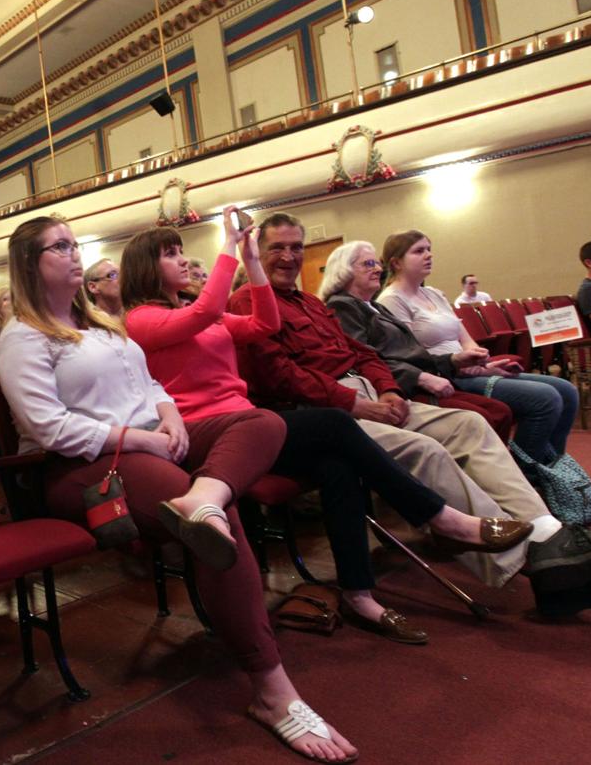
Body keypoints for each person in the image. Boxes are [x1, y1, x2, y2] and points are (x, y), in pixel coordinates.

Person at [0, 216, 360, 764]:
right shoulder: (23, 337)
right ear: (30, 263)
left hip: (151, 443)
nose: (75, 254)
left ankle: (206, 496)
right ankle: (271, 687)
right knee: (212, 514)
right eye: (60, 246)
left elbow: (152, 383)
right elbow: (49, 429)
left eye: (77, 244)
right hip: (85, 465)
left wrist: (171, 419)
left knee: (262, 423)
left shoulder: (101, 322)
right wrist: (139, 438)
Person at [121, 211, 527, 644]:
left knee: (338, 465)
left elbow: (264, 324)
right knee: (335, 422)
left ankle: (359, 592)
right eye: (170, 254)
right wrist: (227, 245)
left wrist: (251, 259)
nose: (183, 261)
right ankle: (443, 519)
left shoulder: (195, 310)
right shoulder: (141, 319)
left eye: (183, 251)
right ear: (147, 267)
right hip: (210, 432)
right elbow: (206, 312)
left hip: (250, 424)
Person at [230, 213, 591, 613]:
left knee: (468, 423)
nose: (288, 256)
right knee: (425, 450)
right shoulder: (246, 302)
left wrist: (387, 388)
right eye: (276, 248)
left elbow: (363, 353)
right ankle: (535, 559)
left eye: (296, 247)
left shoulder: (311, 303)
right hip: (324, 412)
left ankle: (547, 531)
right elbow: (280, 377)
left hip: (371, 393)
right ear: (255, 253)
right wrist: (358, 402)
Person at [377, 231, 580, 471]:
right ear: (396, 262)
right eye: (419, 251)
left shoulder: (434, 293)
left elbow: (466, 339)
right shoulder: (391, 300)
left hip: (471, 369)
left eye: (429, 249)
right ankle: (526, 474)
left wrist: (482, 362)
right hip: (447, 375)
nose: (428, 255)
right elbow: (410, 355)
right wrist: (462, 365)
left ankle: (553, 469)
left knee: (567, 391)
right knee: (545, 399)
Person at [319, 242, 516, 439]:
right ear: (344, 270)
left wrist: (455, 360)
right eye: (368, 264)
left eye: (377, 263)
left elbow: (411, 354)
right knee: (484, 418)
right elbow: (362, 359)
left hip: (422, 380)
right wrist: (419, 377)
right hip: (401, 390)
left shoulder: (374, 307)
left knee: (500, 412)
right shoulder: (342, 306)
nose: (378, 268)